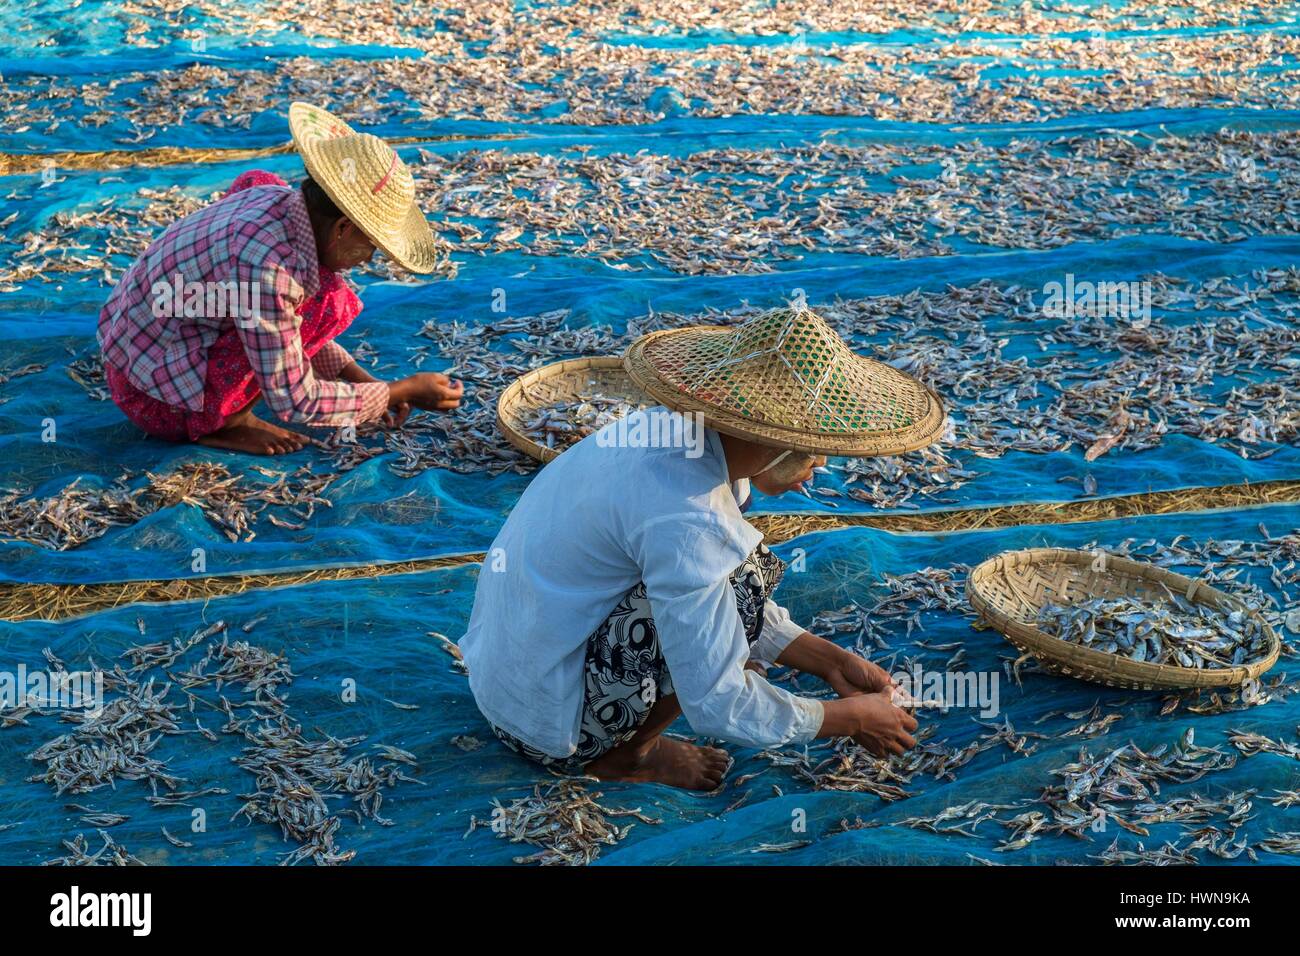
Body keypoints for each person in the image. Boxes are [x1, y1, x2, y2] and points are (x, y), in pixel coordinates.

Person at [460, 304, 947, 790]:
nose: (818, 461)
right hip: (548, 727)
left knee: (734, 572)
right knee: (729, 581)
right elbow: (718, 704)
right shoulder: (690, 515)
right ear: (764, 435)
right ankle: (630, 756)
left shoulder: (671, 430)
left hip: (509, 676)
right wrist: (850, 718)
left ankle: (628, 736)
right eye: (808, 445)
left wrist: (832, 663)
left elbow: (726, 594)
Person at [98, 102, 462, 455]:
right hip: (157, 401)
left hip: (135, 354)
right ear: (343, 228)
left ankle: (220, 410)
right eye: (371, 246)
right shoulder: (270, 269)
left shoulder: (272, 196)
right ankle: (220, 422)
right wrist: (401, 390)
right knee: (322, 303)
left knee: (306, 296)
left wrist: (357, 377)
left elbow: (286, 330)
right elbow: (295, 400)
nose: (368, 258)